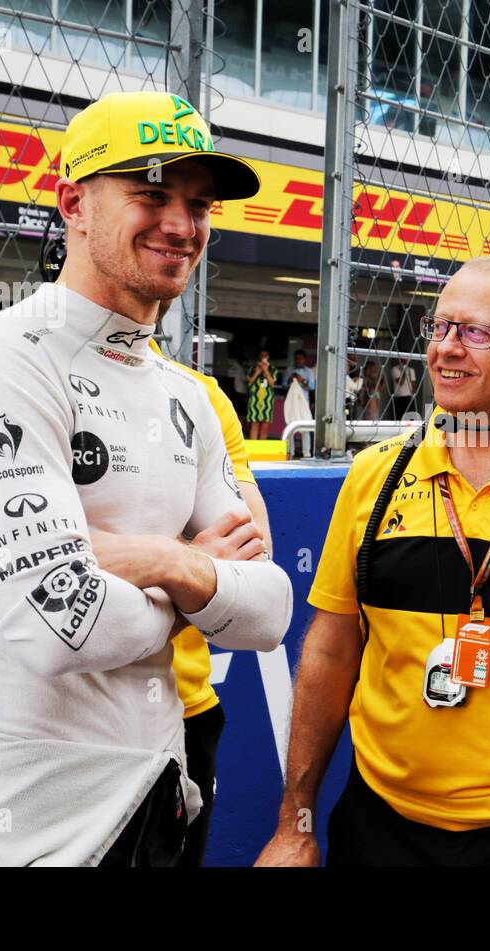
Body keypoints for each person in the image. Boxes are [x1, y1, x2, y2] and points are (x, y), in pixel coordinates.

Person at [0, 90, 293, 866]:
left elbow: (269, 613)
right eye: (151, 194)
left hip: (154, 798)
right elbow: (60, 627)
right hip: (11, 821)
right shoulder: (1, 361)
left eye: (199, 204)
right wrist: (199, 582)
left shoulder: (187, 397)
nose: (182, 225)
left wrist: (154, 561)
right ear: (73, 203)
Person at [256, 256, 490, 867]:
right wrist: (295, 823)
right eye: (439, 327)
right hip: (380, 829)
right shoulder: (375, 478)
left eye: (476, 332)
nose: (446, 350)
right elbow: (331, 649)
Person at [148, 330, 276, 866]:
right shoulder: (20, 372)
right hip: (52, 718)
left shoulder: (197, 394)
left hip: (183, 708)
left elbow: (252, 558)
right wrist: (189, 559)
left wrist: (144, 559)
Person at [246, 350, 275, 440]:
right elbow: (249, 382)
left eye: (265, 355)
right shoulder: (252, 369)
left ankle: (262, 449)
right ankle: (253, 449)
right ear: (259, 357)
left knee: (265, 425)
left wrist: (266, 371)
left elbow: (272, 383)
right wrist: (257, 372)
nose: (263, 357)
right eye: (262, 355)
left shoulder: (272, 369)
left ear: (268, 357)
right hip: (255, 400)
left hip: (267, 400)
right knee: (254, 424)